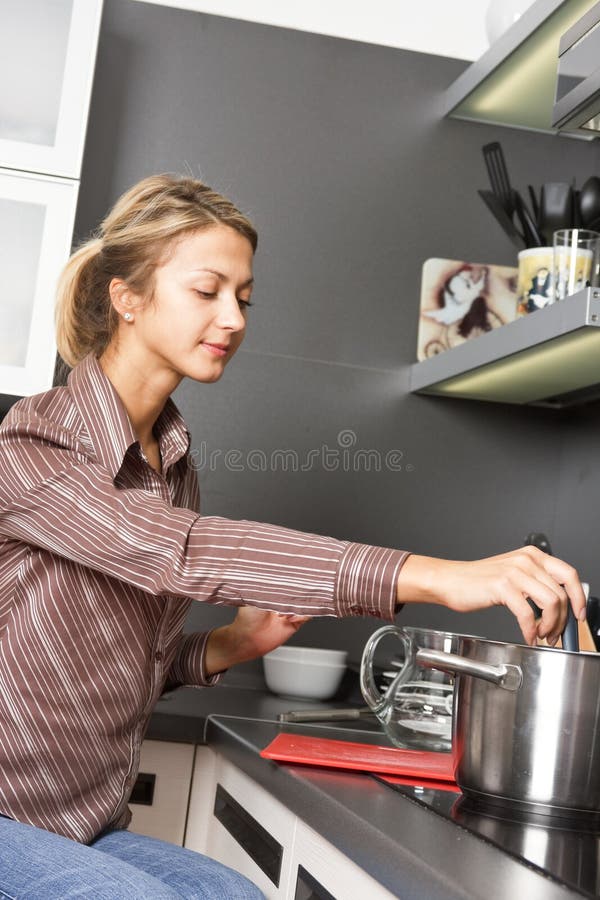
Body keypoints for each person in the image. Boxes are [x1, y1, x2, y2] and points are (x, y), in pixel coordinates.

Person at [0, 174, 586, 898]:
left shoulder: (172, 466)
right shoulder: (37, 441)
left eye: (244, 298)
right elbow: (183, 552)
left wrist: (230, 647)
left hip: (80, 822)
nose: (234, 318)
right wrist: (439, 576)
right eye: (207, 290)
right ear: (127, 296)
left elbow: (109, 657)